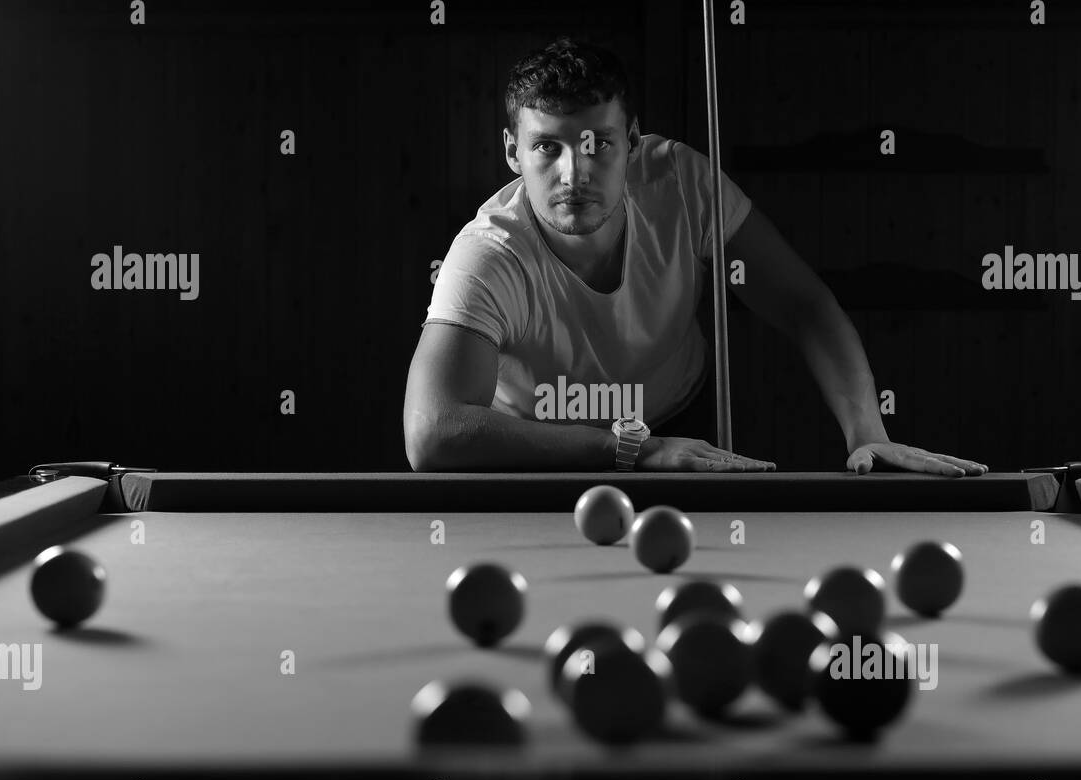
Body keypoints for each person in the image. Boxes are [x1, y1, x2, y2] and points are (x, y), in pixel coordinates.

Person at [403, 37, 987, 478]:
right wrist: (630, 449)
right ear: (513, 152)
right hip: (534, 449)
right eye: (546, 147)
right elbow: (433, 431)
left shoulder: (681, 183)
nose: (573, 174)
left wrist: (867, 433)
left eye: (597, 144)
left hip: (677, 426)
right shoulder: (487, 255)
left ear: (632, 142)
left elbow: (801, 302)